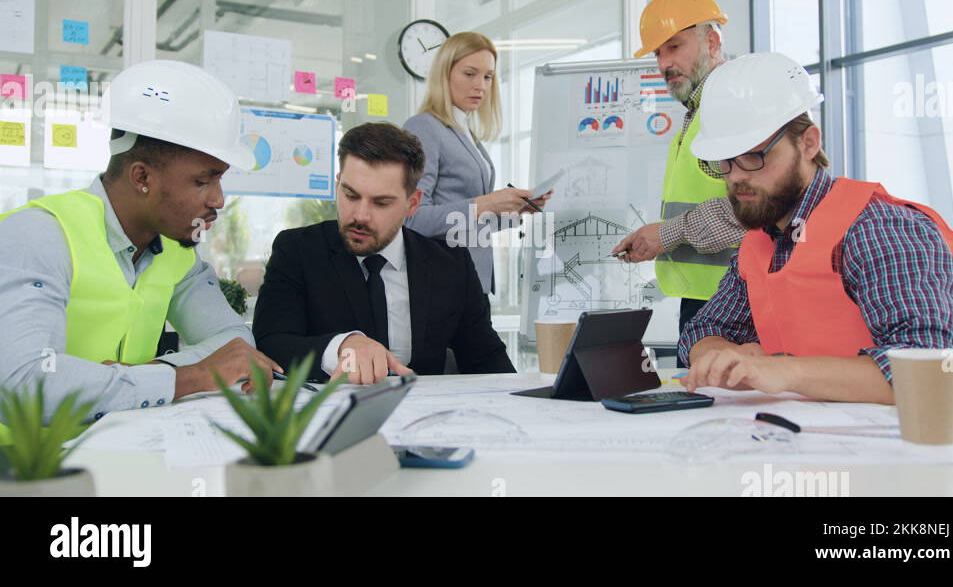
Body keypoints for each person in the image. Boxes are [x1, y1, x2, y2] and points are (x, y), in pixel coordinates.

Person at [676, 52, 953, 416]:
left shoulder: (878, 231)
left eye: (752, 156)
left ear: (809, 143)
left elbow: (933, 373)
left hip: (928, 452)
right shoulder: (763, 239)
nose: (735, 177)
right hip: (822, 438)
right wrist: (720, 358)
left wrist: (783, 369)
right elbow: (702, 330)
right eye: (723, 162)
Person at [0, 60, 282, 436]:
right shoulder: (39, 234)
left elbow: (234, 341)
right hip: (25, 471)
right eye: (203, 181)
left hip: (116, 454)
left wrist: (153, 375)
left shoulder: (177, 252)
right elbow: (24, 384)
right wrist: (186, 378)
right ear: (142, 177)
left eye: (219, 179)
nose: (218, 199)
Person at [253, 122, 516, 385]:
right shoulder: (298, 250)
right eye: (351, 195)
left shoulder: (450, 264)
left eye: (381, 203)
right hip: (329, 417)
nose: (360, 216)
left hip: (425, 416)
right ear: (338, 185)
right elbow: (271, 344)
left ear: (412, 204)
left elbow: (486, 358)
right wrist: (341, 346)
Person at [611, 0, 746, 336]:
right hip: (710, 296)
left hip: (737, 300)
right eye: (658, 52)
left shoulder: (732, 105)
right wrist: (658, 238)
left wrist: (668, 234)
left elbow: (754, 206)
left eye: (674, 46)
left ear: (712, 42)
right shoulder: (700, 111)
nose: (663, 64)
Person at [403, 31, 551, 295]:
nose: (481, 86)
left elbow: (467, 226)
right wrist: (485, 203)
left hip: (470, 283)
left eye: (488, 76)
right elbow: (413, 219)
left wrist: (515, 211)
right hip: (440, 283)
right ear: (444, 74)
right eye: (470, 74)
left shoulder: (465, 132)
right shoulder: (424, 127)